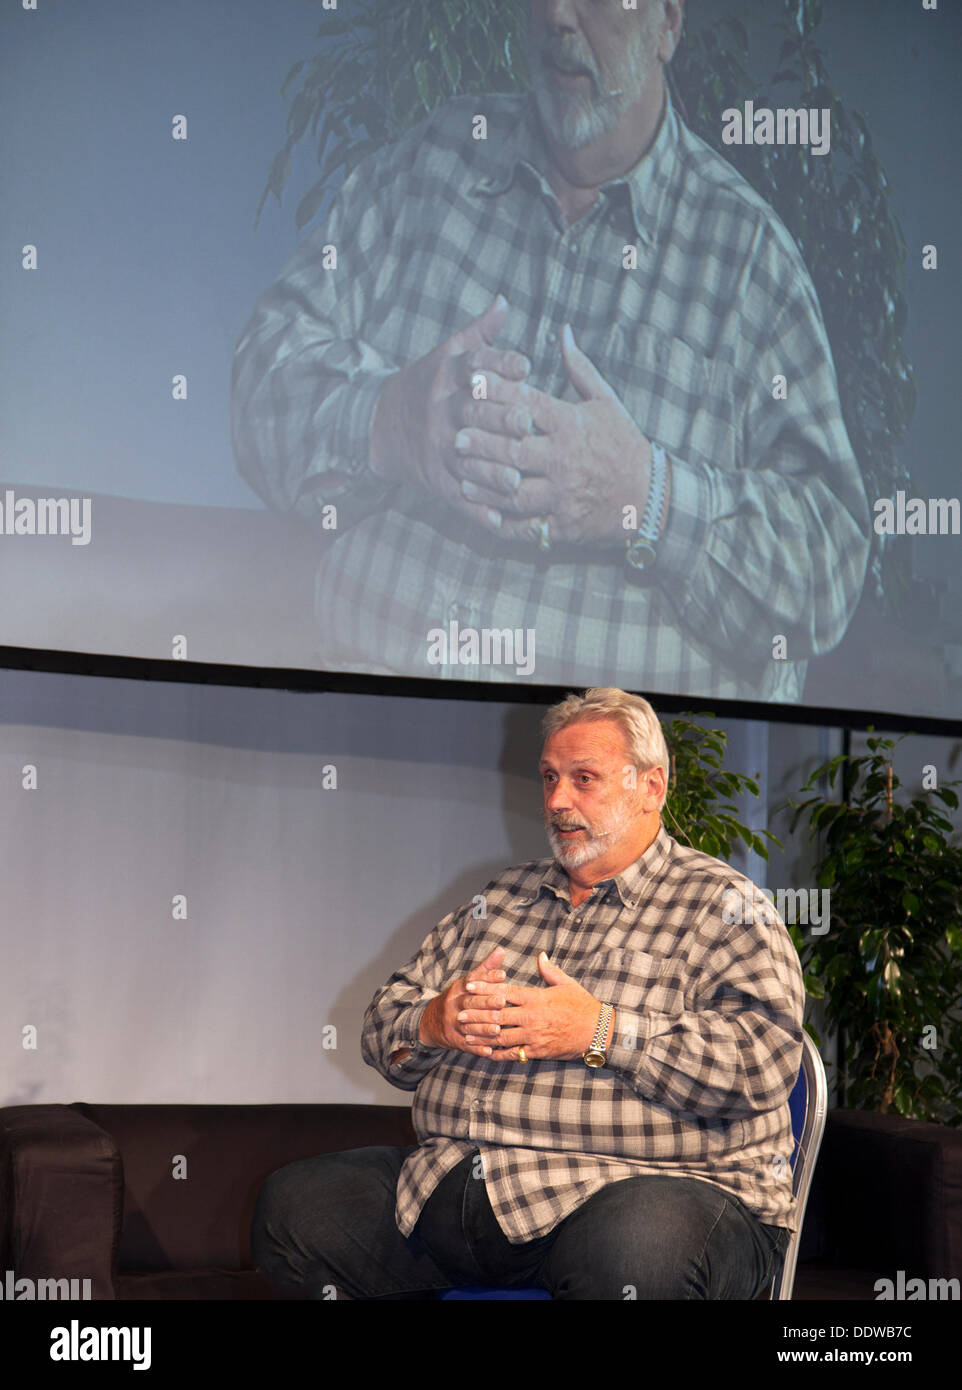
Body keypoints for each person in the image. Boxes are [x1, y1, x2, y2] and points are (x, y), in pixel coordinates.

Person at [231, 0, 869, 702]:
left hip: (608, 768)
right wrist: (391, 422)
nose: (560, 17)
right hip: (368, 722)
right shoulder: (427, 165)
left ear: (668, 23)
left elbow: (828, 565)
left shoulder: (751, 263)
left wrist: (647, 497)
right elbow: (261, 380)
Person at [251, 687, 805, 1299]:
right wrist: (434, 1022)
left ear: (652, 787)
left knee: (635, 1253)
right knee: (298, 1209)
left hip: (648, 1189)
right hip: (463, 1186)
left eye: (583, 779)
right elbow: (381, 1031)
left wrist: (601, 1032)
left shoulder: (726, 908)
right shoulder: (498, 901)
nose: (558, 801)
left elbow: (764, 1064)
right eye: (549, 778)